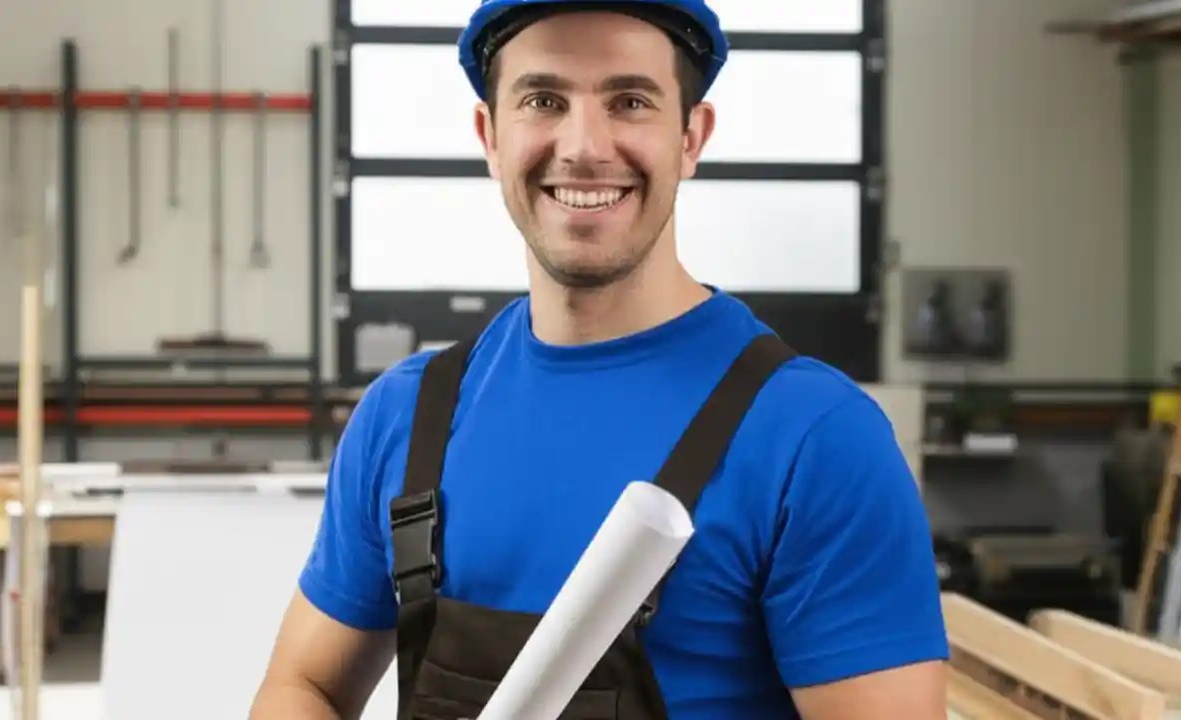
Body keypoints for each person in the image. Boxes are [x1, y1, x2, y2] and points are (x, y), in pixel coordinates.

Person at [250, 1, 949, 718]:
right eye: (544, 99)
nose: (584, 146)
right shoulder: (405, 413)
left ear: (691, 138)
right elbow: (303, 686)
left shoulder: (817, 439)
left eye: (630, 101)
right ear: (490, 136)